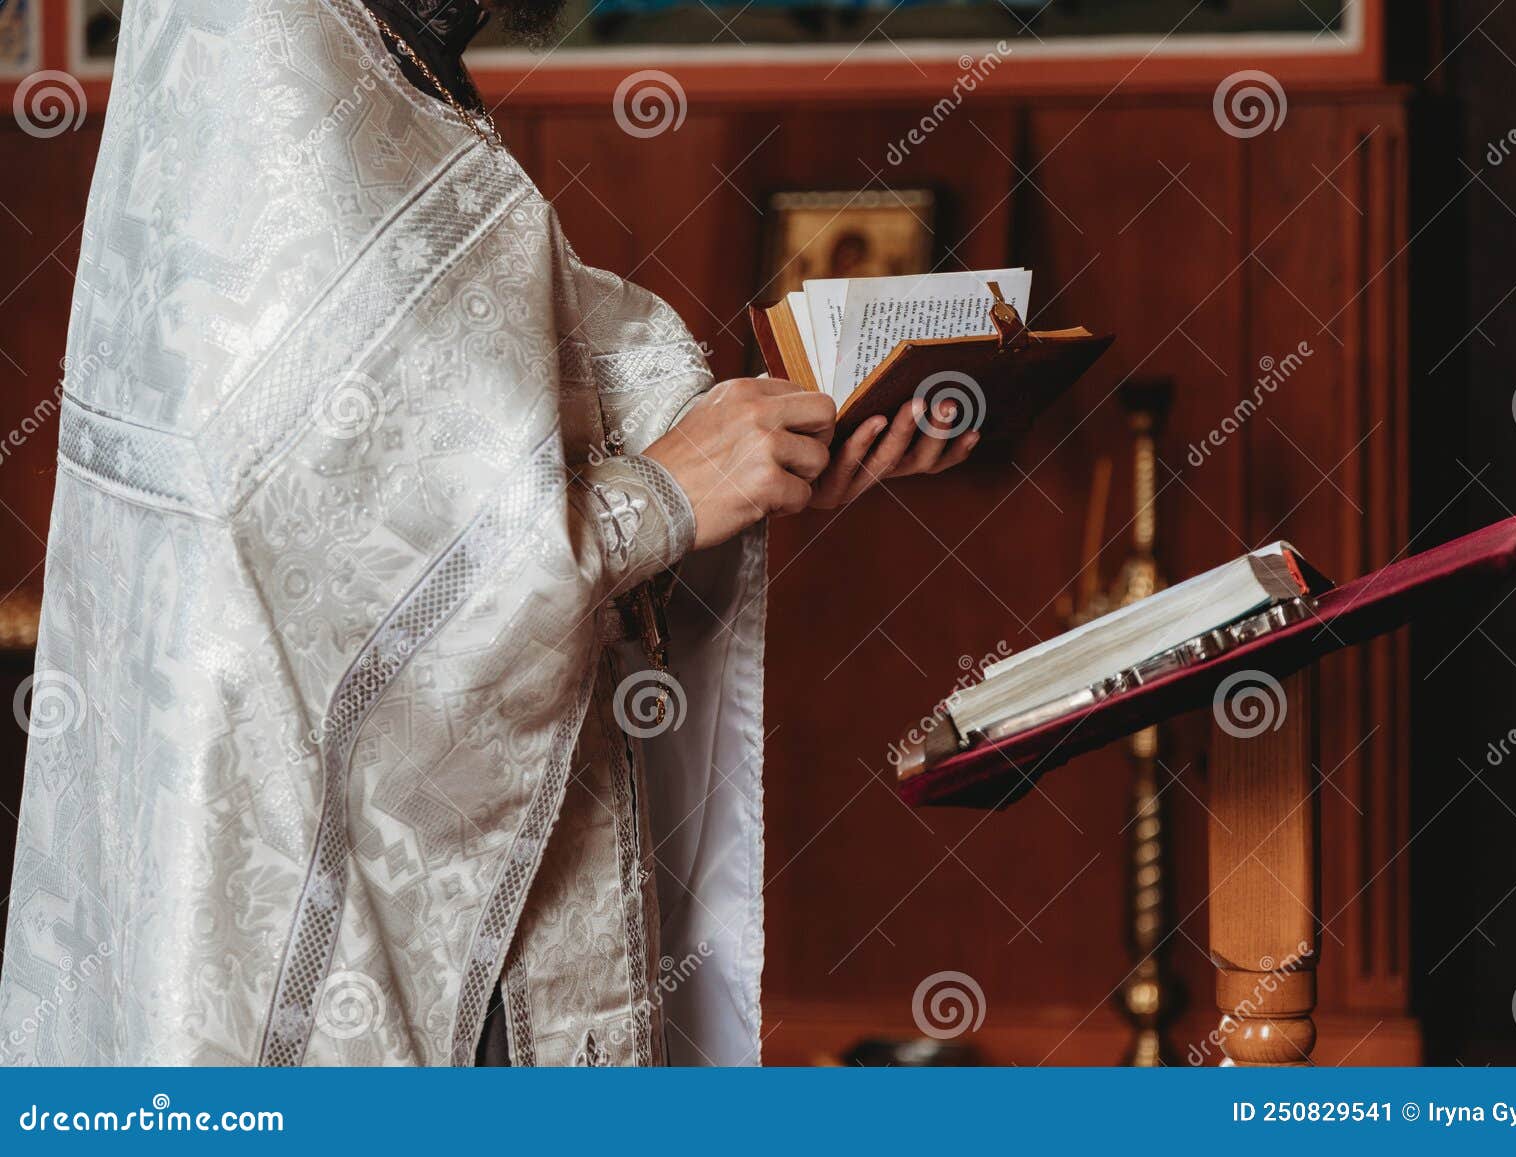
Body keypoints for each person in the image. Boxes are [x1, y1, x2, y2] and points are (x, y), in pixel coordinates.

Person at [0, 0, 976, 1066]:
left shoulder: (368, 57)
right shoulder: (264, 56)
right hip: (371, 924)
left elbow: (483, 372)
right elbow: (327, 563)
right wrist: (662, 492)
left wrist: (766, 436)